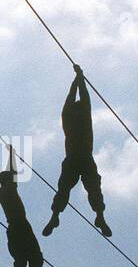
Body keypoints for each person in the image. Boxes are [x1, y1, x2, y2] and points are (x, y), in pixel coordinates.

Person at [43, 65, 111, 238]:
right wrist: (79, 77)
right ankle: (56, 217)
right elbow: (80, 97)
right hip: (78, 159)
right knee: (78, 189)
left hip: (78, 159)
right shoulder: (78, 115)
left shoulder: (69, 116)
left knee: (88, 188)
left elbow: (76, 97)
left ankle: (98, 217)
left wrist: (78, 78)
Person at [0, 146, 53, 267]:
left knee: (33, 259)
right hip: (18, 227)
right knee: (23, 261)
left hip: (21, 227)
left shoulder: (5, 190)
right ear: (6, 181)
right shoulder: (6, 190)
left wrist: (11, 156)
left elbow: (12, 174)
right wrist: (12, 156)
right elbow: (12, 174)